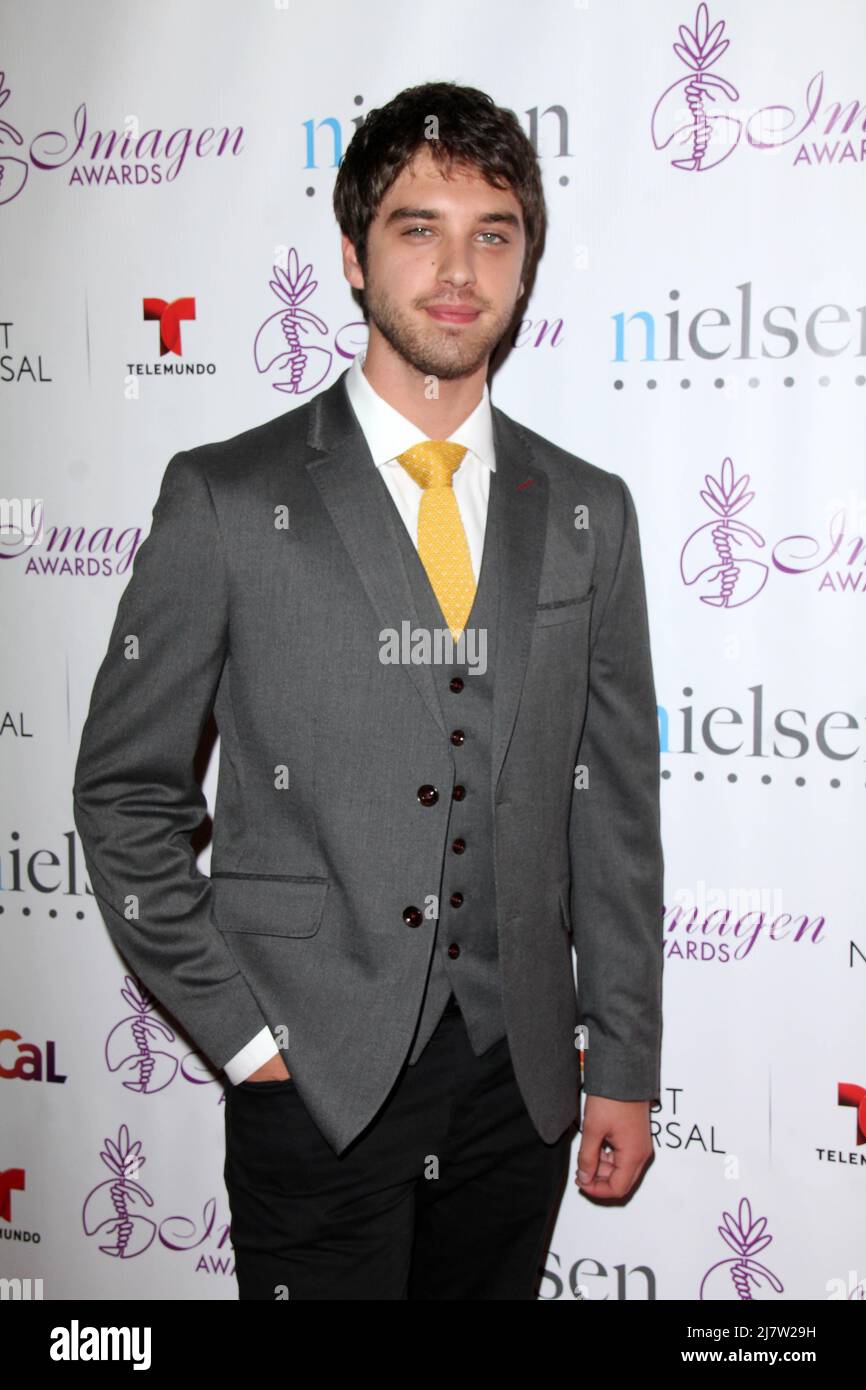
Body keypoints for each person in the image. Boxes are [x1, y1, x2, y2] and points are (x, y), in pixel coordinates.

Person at [72, 80, 664, 1300]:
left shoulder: (588, 512)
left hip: (520, 1092)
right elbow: (126, 793)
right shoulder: (228, 499)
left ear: (523, 264)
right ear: (351, 255)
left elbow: (609, 809)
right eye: (417, 228)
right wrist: (245, 1040)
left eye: (491, 233)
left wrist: (622, 1061)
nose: (458, 269)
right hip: (314, 1084)